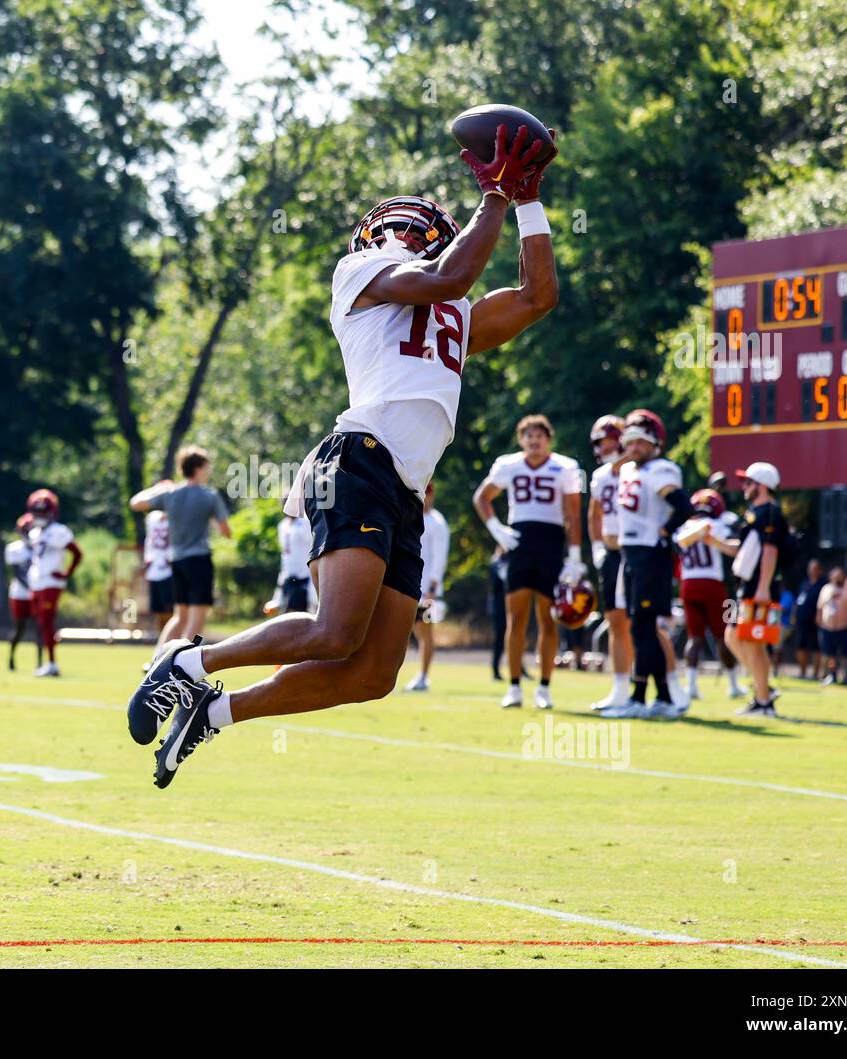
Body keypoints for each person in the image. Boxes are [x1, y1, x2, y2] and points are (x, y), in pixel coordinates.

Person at [125, 123, 559, 787]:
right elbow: (451, 274)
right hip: (358, 457)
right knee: (333, 632)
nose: (407, 232)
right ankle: (188, 661)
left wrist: (527, 200)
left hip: (406, 488)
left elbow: (536, 298)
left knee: (370, 672)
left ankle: (214, 714)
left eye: (420, 227)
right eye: (399, 226)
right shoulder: (363, 273)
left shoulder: (455, 310)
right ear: (375, 236)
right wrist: (496, 195)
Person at [473, 414, 585, 709]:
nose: (534, 441)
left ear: (549, 438)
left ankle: (545, 687)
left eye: (539, 435)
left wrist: (575, 556)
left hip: (551, 542)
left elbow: (573, 515)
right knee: (516, 618)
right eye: (528, 435)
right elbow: (481, 498)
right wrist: (496, 529)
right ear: (520, 439)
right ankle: (513, 686)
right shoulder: (507, 464)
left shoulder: (566, 467)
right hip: (519, 542)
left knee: (548, 619)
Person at [600, 409, 693, 719]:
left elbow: (682, 506)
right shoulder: (628, 471)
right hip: (631, 554)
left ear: (655, 444)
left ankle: (643, 697)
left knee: (643, 628)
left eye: (641, 442)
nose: (635, 447)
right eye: (631, 441)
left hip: (650, 555)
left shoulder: (661, 470)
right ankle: (659, 696)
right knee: (641, 627)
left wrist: (664, 533)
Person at [129, 447, 231, 657]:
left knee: (179, 616)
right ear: (198, 468)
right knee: (196, 618)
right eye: (206, 468)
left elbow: (135, 503)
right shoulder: (209, 496)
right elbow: (226, 531)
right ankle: (180, 664)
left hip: (176, 562)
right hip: (199, 560)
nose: (208, 472)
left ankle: (156, 659)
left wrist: (158, 489)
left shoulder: (170, 494)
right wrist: (210, 518)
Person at [714, 462, 787, 716]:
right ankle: (763, 687)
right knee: (734, 637)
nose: (744, 486)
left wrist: (764, 587)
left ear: (763, 485)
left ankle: (764, 701)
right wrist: (712, 541)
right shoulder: (754, 513)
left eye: (748, 482)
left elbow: (770, 551)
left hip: (759, 587)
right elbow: (741, 550)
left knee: (751, 641)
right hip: (747, 586)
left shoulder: (769, 512)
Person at [675, 488, 745, 699]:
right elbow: (735, 545)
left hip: (688, 584)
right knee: (722, 636)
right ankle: (733, 684)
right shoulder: (717, 525)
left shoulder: (683, 528)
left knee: (694, 638)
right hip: (712, 584)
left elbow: (676, 547)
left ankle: (692, 686)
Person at [587, 414, 633, 710]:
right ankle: (620, 687)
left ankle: (665, 686)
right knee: (615, 621)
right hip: (612, 553)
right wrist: (597, 547)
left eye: (605, 440)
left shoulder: (637, 469)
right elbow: (594, 513)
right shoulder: (600, 475)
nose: (601, 447)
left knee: (644, 623)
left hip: (637, 551)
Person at [25, 488, 83, 677]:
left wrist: (67, 573)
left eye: (44, 511)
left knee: (47, 622)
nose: (40, 515)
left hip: (51, 582)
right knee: (40, 622)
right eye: (38, 512)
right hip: (36, 582)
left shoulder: (59, 531)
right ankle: (44, 662)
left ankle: (51, 663)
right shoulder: (34, 532)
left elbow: (77, 553)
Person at [405, 481, 450, 691]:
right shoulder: (411, 517)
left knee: (425, 633)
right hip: (409, 585)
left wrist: (433, 587)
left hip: (427, 589)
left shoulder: (437, 522)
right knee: (412, 632)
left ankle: (424, 676)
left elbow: (440, 558)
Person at [4, 512, 39, 672]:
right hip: (20, 594)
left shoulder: (40, 547)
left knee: (39, 629)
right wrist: (32, 587)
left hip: (37, 593)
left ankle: (41, 662)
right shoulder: (14, 549)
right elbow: (17, 573)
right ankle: (11, 658)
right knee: (19, 628)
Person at [266, 512, 314, 617]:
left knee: (297, 616)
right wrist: (276, 597)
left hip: (304, 578)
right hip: (288, 578)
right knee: (286, 616)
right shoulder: (282, 525)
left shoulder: (306, 523)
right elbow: (285, 557)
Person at [816, 566, 847, 685]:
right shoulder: (826, 589)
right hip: (827, 626)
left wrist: (846, 591)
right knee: (828, 653)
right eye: (835, 576)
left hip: (844, 626)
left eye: (839, 576)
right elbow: (820, 606)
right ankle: (831, 675)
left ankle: (846, 676)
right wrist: (818, 618)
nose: (837, 578)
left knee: (845, 654)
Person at [143, 507, 175, 638]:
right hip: (154, 570)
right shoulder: (152, 517)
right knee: (158, 609)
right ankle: (162, 639)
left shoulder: (176, 515)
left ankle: (173, 638)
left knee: (172, 609)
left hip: (170, 570)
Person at [794, 559, 826, 680]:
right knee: (801, 646)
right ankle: (802, 672)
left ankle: (815, 674)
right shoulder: (804, 583)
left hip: (816, 621)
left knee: (817, 648)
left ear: (820, 570)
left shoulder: (823, 585)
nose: (812, 571)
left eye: (815, 568)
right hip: (802, 621)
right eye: (811, 568)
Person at [488, 549, 508, 681]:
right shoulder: (496, 562)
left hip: (508, 607)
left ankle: (520, 669)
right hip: (499, 607)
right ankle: (495, 670)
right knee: (499, 639)